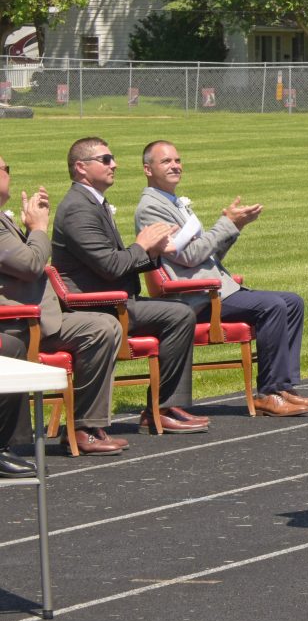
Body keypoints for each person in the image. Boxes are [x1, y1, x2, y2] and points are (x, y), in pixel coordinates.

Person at [134, 141, 308, 417]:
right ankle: (268, 393)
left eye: (178, 160)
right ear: (148, 169)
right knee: (273, 306)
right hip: (195, 297)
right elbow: (188, 256)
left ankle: (283, 387)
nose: (175, 165)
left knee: (292, 302)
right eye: (166, 162)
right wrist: (225, 225)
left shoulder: (174, 202)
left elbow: (207, 255)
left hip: (217, 288)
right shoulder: (151, 207)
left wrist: (234, 228)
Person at [50, 137, 207, 434]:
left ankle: (164, 407)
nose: (115, 164)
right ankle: (160, 409)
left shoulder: (92, 203)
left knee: (179, 312)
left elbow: (116, 262)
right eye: (106, 159)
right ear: (82, 168)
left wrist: (153, 250)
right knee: (179, 315)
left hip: (114, 300)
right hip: (98, 306)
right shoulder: (77, 209)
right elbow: (110, 267)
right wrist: (141, 245)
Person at [1, 162, 125, 460]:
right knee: (101, 328)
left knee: (103, 325)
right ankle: (83, 429)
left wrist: (30, 229)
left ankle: (86, 427)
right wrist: (38, 228)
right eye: (3, 168)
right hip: (19, 323)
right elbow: (30, 264)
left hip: (37, 317)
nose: (8, 172)